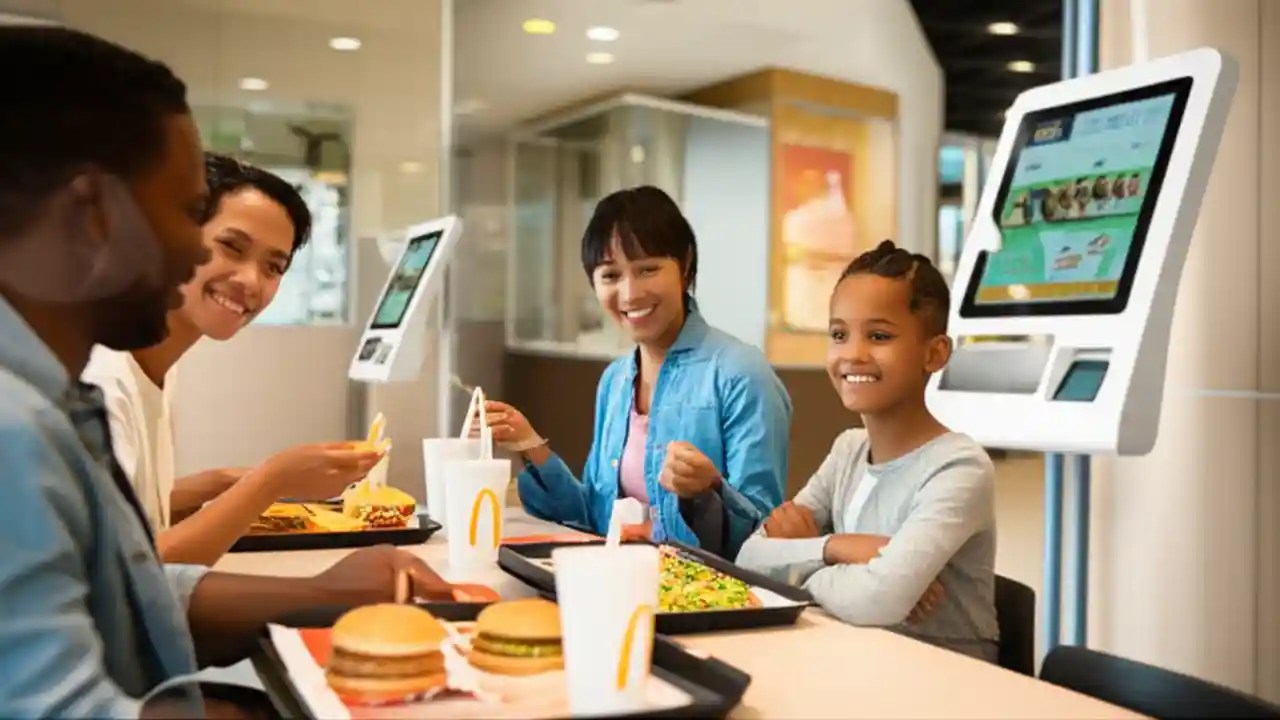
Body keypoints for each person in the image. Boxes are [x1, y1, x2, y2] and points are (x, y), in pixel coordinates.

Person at [0, 27, 449, 717]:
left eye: (274, 265)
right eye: (187, 215)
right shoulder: (13, 429)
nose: (194, 251)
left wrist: (332, 592)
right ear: (91, 215)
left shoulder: (59, 399)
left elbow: (130, 594)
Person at [83, 152, 381, 565]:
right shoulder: (97, 378)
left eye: (273, 267)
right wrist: (271, 481)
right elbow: (129, 572)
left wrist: (221, 483)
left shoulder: (151, 368)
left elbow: (122, 506)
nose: (250, 281)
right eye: (231, 247)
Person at [480, 186, 792, 559]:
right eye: (610, 276)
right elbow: (594, 518)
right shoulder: (615, 381)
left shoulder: (740, 373)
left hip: (706, 602)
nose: (629, 294)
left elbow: (764, 535)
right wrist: (529, 443)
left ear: (685, 264)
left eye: (647, 269)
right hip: (622, 583)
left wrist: (707, 492)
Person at [736, 240, 999, 663]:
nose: (853, 354)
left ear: (935, 353)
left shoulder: (960, 468)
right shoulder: (848, 450)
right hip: (856, 658)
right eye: (839, 334)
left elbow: (880, 601)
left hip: (943, 677)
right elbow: (749, 559)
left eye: (878, 336)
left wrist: (808, 555)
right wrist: (839, 548)